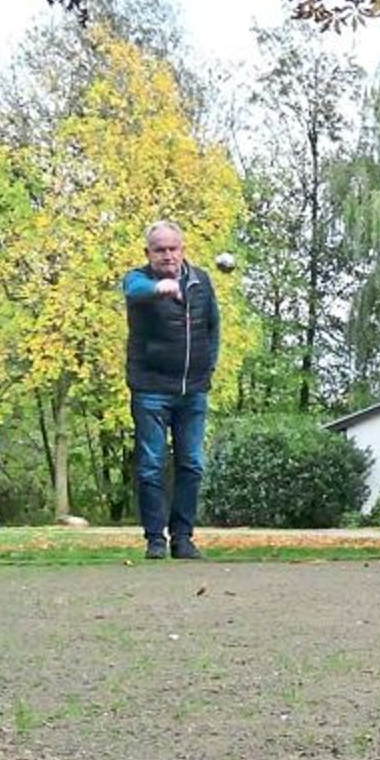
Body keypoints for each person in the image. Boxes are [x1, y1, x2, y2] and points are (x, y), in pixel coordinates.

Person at [121, 219, 220, 560]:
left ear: (182, 249)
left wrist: (208, 369)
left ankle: (183, 538)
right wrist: (158, 289)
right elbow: (133, 291)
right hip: (150, 388)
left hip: (193, 390)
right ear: (147, 253)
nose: (167, 255)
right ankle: (154, 539)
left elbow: (212, 328)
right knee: (150, 463)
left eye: (172, 248)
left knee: (191, 463)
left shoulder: (201, 281)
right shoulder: (138, 279)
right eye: (159, 250)